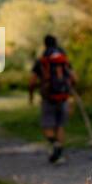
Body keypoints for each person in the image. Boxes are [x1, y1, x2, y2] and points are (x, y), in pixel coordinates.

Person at [29, 34, 77, 164]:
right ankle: (59, 154)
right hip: (63, 97)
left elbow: (32, 81)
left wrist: (31, 95)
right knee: (60, 126)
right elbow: (74, 78)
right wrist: (70, 93)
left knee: (47, 126)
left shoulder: (42, 61)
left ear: (45, 44)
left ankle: (55, 145)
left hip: (48, 98)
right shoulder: (64, 60)